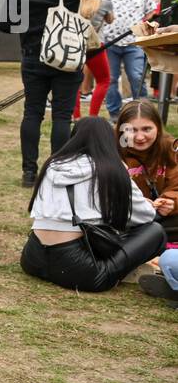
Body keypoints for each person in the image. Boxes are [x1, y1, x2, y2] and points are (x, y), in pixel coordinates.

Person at [0, 0, 123, 187]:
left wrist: (31, 27)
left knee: (32, 112)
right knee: (62, 115)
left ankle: (28, 173)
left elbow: (5, 25)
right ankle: (57, 170)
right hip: (66, 56)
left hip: (33, 56)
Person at [20, 118, 164, 291]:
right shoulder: (113, 168)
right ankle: (126, 269)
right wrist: (146, 204)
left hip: (32, 258)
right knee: (155, 231)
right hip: (79, 270)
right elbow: (144, 216)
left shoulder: (52, 165)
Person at [116, 100, 178, 244]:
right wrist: (138, 204)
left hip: (162, 219)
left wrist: (171, 202)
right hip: (127, 220)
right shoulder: (112, 148)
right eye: (131, 130)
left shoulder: (171, 148)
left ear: (158, 127)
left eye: (146, 129)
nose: (139, 137)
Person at [101, 0, 152, 122]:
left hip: (134, 42)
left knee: (136, 76)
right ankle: (114, 114)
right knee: (110, 79)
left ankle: (143, 110)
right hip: (110, 42)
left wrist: (142, 24)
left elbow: (150, 11)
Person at [72, 0, 112, 121]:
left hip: (74, 43)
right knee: (104, 80)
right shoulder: (105, 1)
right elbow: (110, 20)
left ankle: (76, 116)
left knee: (72, 81)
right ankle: (93, 116)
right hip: (95, 45)